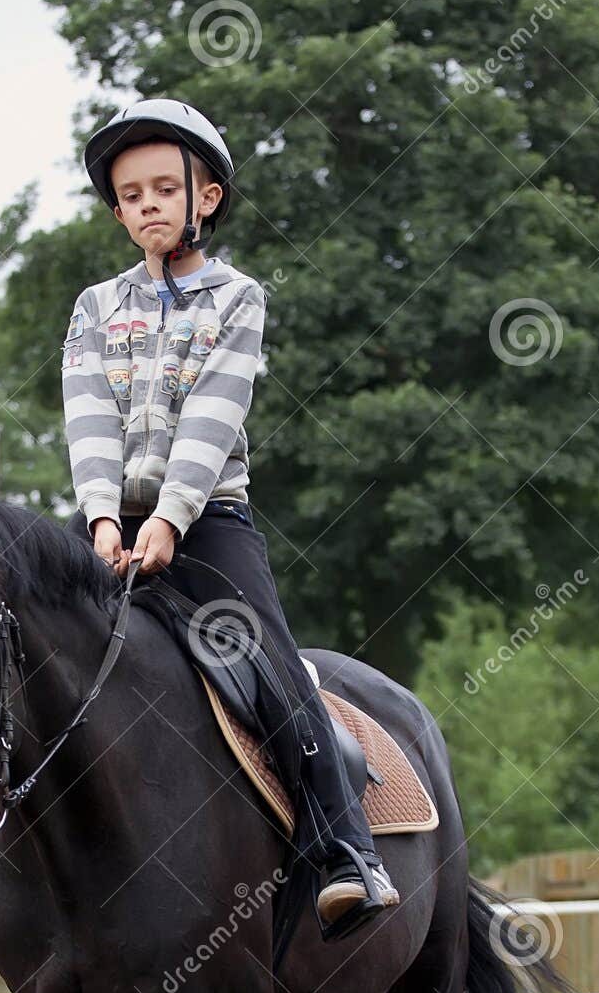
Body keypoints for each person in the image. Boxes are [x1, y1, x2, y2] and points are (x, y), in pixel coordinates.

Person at [59, 97, 400, 940]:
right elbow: (87, 417)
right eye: (130, 194)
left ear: (204, 198)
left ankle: (347, 852)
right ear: (116, 211)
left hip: (206, 521)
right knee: (17, 653)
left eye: (163, 189)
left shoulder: (237, 298)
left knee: (273, 669)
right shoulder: (94, 308)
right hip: (107, 527)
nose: (146, 205)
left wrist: (169, 519)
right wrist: (101, 517)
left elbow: (214, 413)